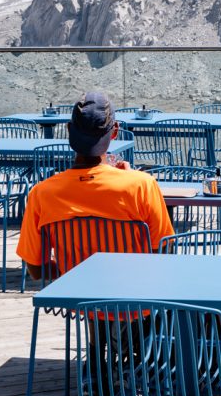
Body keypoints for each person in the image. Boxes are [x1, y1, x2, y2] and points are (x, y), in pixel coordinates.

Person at [16, 91, 174, 279]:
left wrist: (75, 273)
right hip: (136, 303)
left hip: (78, 302)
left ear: (69, 130)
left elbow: (35, 269)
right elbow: (163, 251)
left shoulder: (42, 193)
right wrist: (130, 178)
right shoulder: (142, 185)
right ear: (115, 131)